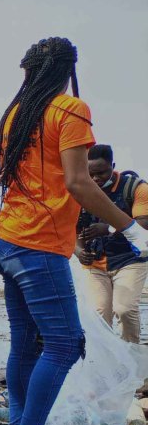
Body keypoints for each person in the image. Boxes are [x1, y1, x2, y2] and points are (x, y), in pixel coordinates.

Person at [0, 37, 148, 425]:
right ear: (66, 70)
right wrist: (131, 227)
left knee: (25, 341)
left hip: (8, 238)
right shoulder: (68, 109)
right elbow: (80, 183)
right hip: (40, 243)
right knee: (65, 342)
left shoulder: (14, 114)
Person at [76, 144, 148, 343]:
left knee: (124, 309)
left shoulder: (135, 188)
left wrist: (107, 229)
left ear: (113, 166)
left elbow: (143, 224)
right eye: (91, 174)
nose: (96, 179)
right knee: (99, 315)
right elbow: (69, 228)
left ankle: (131, 358)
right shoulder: (79, 189)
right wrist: (78, 250)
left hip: (129, 260)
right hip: (94, 264)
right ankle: (106, 363)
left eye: (101, 173)